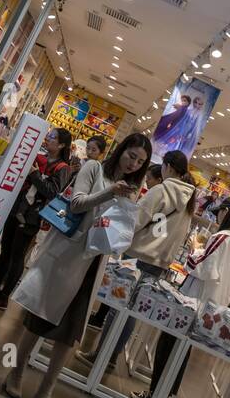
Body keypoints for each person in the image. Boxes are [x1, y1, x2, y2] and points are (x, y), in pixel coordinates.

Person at [3, 133, 151, 398]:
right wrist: (110, 192)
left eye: (140, 162)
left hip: (94, 262)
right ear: (121, 150)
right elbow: (77, 203)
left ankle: (47, 388)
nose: (134, 164)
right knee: (40, 318)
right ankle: (16, 373)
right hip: (68, 254)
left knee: (69, 333)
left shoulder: (130, 188)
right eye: (132, 156)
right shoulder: (94, 168)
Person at [81, 150, 196, 372]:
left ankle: (101, 356)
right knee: (131, 312)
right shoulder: (189, 200)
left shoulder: (161, 190)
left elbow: (136, 221)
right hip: (159, 263)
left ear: (168, 167)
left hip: (138, 256)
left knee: (118, 306)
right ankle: (110, 357)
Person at [137, 193, 230, 398]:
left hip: (193, 302)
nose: (218, 217)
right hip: (210, 306)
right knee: (180, 351)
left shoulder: (221, 237)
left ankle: (154, 394)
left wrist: (194, 249)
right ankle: (165, 395)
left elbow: (204, 267)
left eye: (220, 212)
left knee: (167, 346)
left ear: (226, 212)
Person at [0, 127, 73, 309]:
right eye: (48, 135)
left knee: (17, 256)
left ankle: (4, 297)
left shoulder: (63, 168)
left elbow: (52, 192)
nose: (48, 138)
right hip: (16, 209)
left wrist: (34, 174)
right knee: (5, 251)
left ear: (61, 145)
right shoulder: (39, 157)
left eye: (52, 137)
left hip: (31, 218)